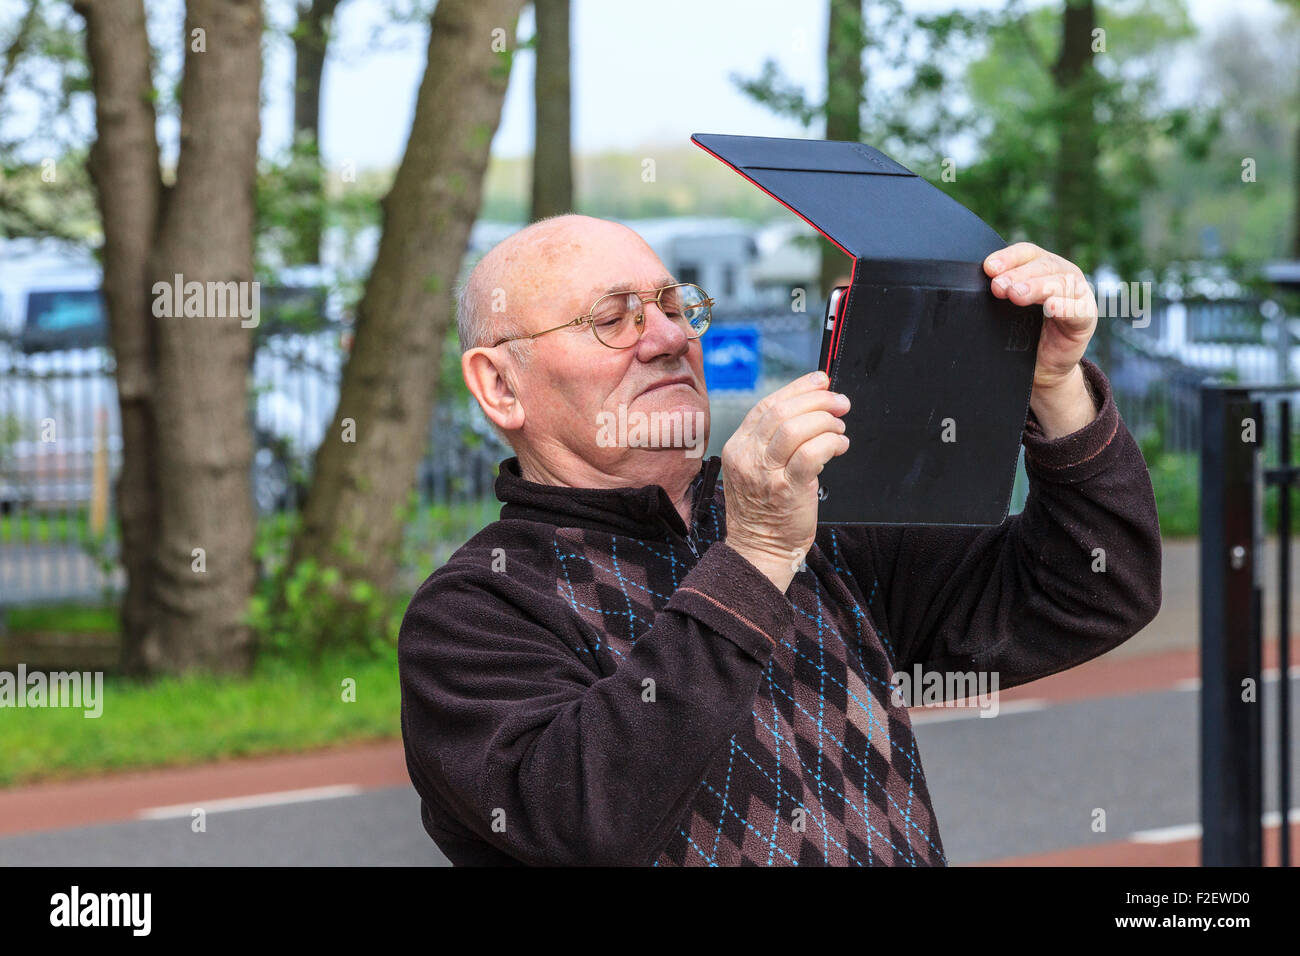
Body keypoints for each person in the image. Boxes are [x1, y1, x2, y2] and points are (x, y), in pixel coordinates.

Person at [397, 214, 1162, 866]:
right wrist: (757, 554)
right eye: (612, 317)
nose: (668, 337)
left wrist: (1056, 388)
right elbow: (584, 822)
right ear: (499, 385)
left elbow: (1092, 590)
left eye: (674, 305)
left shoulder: (817, 522)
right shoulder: (476, 610)